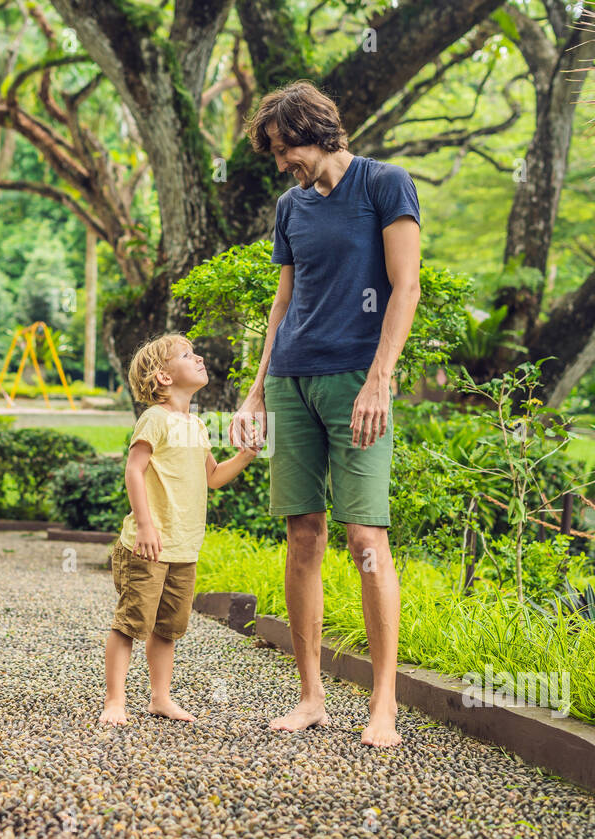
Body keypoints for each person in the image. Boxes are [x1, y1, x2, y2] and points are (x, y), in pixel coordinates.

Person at [230, 81, 422, 748]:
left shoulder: (384, 185)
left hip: (355, 382)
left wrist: (379, 381)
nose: (285, 163)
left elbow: (407, 286)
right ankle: (311, 697)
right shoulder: (290, 208)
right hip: (292, 380)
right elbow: (282, 303)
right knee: (302, 534)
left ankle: (384, 705)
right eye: (279, 155)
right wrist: (256, 392)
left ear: (317, 132)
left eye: (288, 150)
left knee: (366, 540)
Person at [99, 333, 260, 726]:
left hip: (183, 549)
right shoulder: (155, 419)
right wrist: (146, 526)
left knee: (168, 628)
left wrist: (245, 455)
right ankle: (115, 701)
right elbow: (134, 470)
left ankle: (160, 698)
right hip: (148, 547)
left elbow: (214, 477)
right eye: (188, 355)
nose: (200, 357)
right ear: (163, 378)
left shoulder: (197, 425)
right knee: (131, 623)